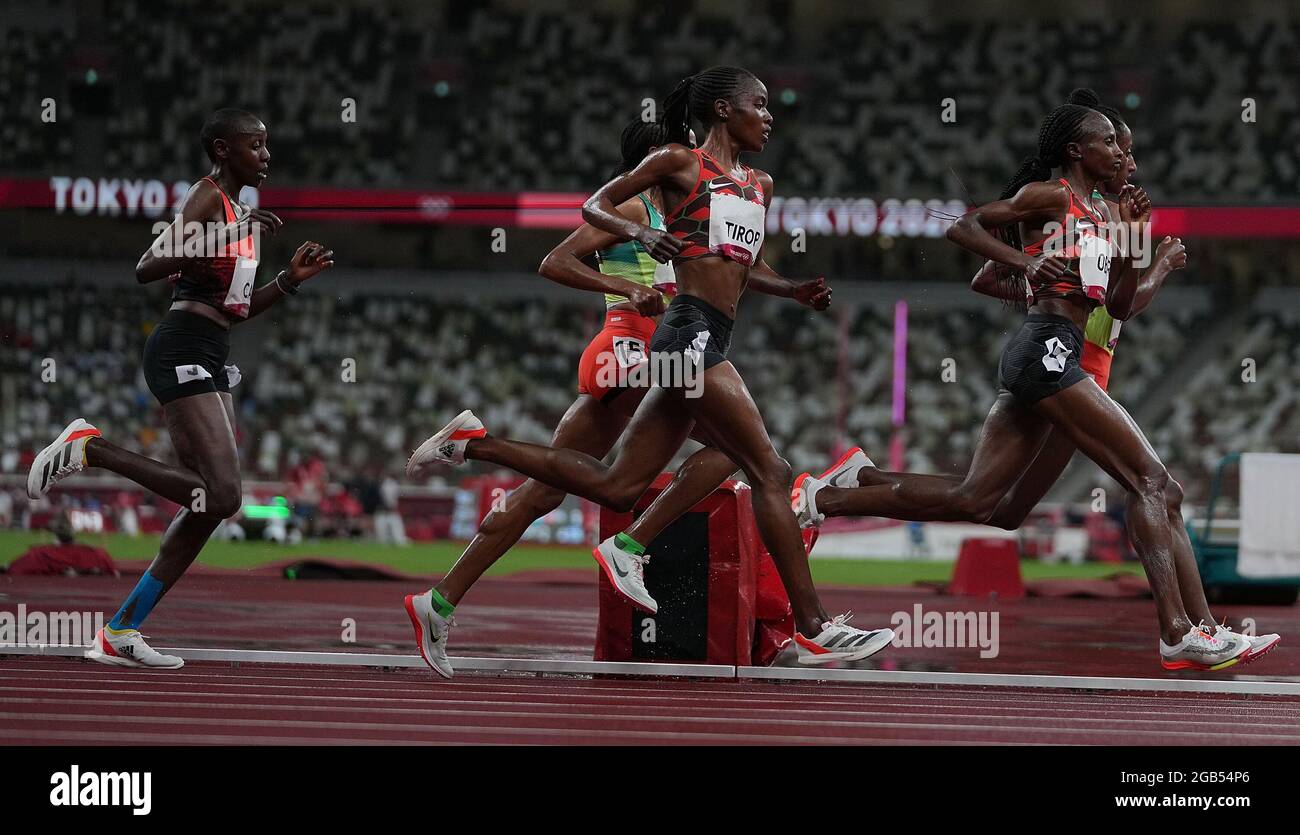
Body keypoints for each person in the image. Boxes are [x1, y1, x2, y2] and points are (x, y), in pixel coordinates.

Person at [409, 68, 895, 668]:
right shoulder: (657, 190)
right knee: (764, 467)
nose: (770, 116)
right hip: (639, 348)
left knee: (597, 486)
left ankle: (461, 531)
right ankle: (808, 624)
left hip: (681, 340)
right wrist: (631, 262)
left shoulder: (748, 186)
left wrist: (793, 289)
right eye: (759, 105)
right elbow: (560, 255)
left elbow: (743, 264)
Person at [798, 91, 1278, 668]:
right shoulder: (1051, 196)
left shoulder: (1102, 218)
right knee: (1154, 483)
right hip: (1045, 351)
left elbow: (1119, 305)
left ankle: (829, 493)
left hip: (1055, 356)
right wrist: (1029, 266)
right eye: (1108, 142)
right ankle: (1181, 631)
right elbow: (966, 227)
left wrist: (1132, 248)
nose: (1122, 152)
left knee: (980, 501)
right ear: (1076, 150)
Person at [26, 108, 334, 669]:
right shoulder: (208, 197)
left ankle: (121, 629)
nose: (266, 155)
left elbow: (232, 312)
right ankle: (90, 448)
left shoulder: (241, 212)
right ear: (222, 149)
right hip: (181, 345)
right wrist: (231, 231)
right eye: (255, 146)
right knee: (223, 496)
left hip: (212, 348)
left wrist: (287, 281)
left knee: (207, 504)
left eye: (268, 145)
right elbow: (148, 265)